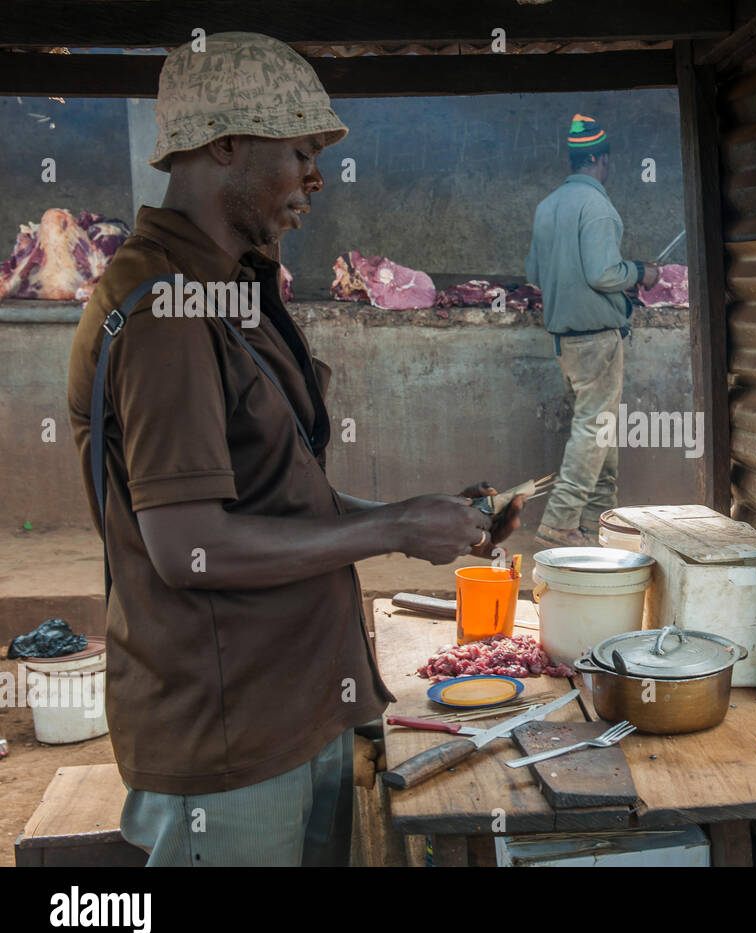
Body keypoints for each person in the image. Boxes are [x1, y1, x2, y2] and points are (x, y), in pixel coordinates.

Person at [66, 33, 523, 866]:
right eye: (303, 152)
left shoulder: (229, 289)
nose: (317, 177)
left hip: (299, 705)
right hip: (231, 738)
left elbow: (281, 498)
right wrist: (389, 532)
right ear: (226, 145)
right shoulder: (166, 312)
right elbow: (189, 547)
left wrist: (422, 519)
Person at [525, 114, 659, 547]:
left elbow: (533, 272)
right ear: (602, 160)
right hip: (597, 338)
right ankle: (560, 522)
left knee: (600, 430)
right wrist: (642, 272)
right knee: (592, 431)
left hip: (565, 341)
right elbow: (604, 273)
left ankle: (598, 520)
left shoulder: (548, 205)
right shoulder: (597, 205)